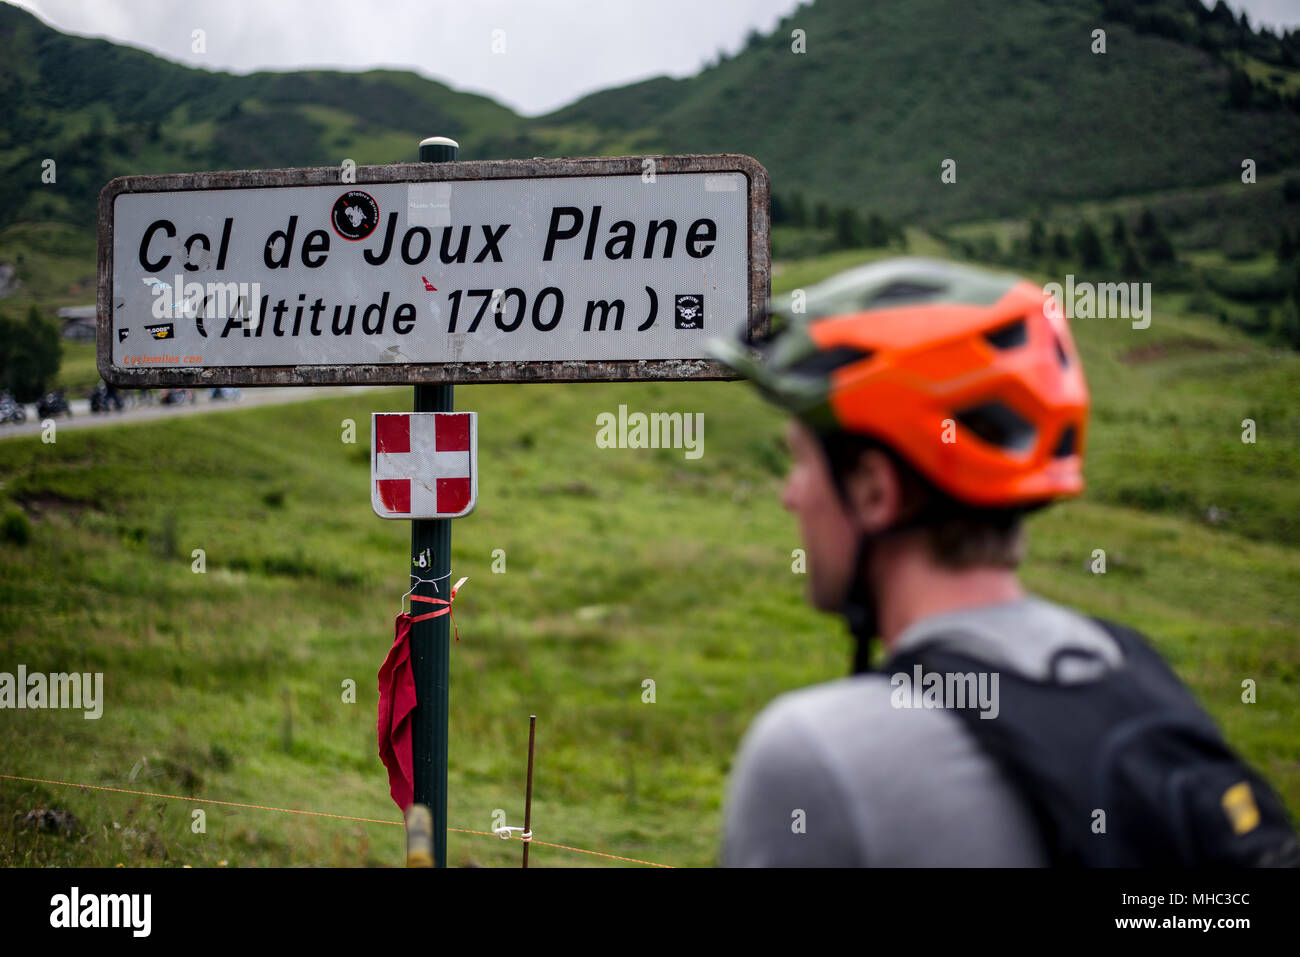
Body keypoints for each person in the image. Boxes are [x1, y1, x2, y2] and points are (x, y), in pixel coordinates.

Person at [708, 257, 1297, 867]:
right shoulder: (1131, 668)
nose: (791, 495)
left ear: (873, 491)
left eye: (800, 462)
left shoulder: (814, 757)